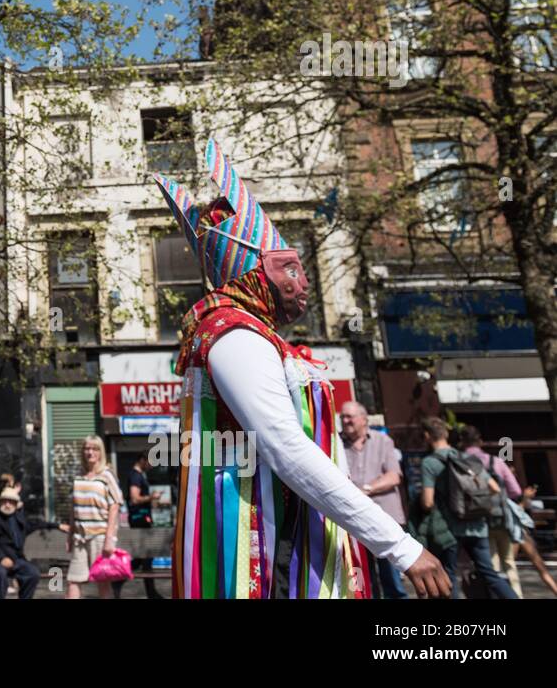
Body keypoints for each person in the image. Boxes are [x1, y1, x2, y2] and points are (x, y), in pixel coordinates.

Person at [153, 140, 449, 598]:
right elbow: (286, 449)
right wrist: (402, 547)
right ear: (254, 274)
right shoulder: (234, 334)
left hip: (295, 538)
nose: (304, 281)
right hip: (269, 553)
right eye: (289, 268)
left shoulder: (256, 336)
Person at [418, 417, 517, 599]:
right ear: (446, 434)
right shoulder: (466, 458)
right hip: (477, 525)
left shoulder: (429, 463)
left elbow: (428, 502)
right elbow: (494, 488)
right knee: (489, 573)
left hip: (449, 529)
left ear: (426, 436)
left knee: (449, 574)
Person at [340, 402, 408, 599]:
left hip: (385, 519)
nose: (345, 421)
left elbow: (394, 476)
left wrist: (365, 490)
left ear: (364, 419)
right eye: (343, 417)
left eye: (349, 417)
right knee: (362, 581)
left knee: (392, 580)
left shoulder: (382, 441)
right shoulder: (336, 443)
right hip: (352, 522)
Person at [458, 425, 523, 597]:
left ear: (462, 442)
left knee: (491, 565)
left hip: (476, 520)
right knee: (509, 562)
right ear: (480, 441)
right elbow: (516, 491)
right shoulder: (496, 461)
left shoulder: (460, 462)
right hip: (501, 517)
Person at [0, 487, 68, 599]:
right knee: (0, 574)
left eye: (11, 502)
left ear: (16, 505)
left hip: (16, 559)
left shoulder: (18, 519)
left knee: (32, 573)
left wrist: (58, 526)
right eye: (5, 501)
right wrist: (1, 558)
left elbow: (37, 524)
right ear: (0, 502)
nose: (7, 504)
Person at [66, 435, 123, 599]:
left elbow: (115, 506)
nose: (90, 452)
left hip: (100, 536)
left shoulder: (107, 475)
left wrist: (109, 539)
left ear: (100, 452)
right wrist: (70, 535)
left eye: (94, 449)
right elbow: (73, 508)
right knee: (73, 581)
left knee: (102, 581)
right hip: (79, 538)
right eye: (86, 448)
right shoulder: (78, 476)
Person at [125, 453, 167, 599]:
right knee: (146, 558)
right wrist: (151, 497)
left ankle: (119, 578)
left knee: (141, 559)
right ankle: (151, 593)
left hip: (142, 519)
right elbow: (135, 498)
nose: (151, 466)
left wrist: (155, 501)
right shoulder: (136, 476)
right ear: (142, 460)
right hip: (139, 521)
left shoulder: (140, 475)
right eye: (150, 462)